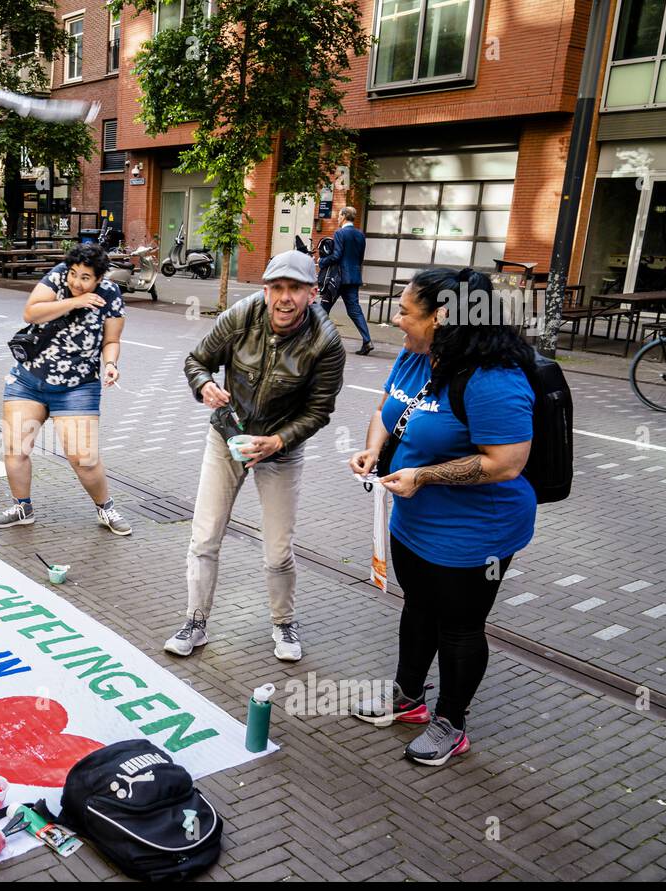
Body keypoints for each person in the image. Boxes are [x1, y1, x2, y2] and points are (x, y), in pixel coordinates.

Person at [348, 267, 535, 767]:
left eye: (407, 311)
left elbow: (506, 462)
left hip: (476, 534)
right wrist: (373, 449)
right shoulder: (416, 357)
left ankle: (452, 722)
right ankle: (407, 699)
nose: (395, 319)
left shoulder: (493, 379)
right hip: (413, 521)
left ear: (444, 316)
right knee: (418, 607)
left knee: (459, 626)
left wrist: (424, 477)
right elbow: (387, 408)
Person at [165, 251, 345, 662]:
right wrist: (205, 386)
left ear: (312, 293)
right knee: (204, 536)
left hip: (280, 449)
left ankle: (283, 622)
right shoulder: (240, 317)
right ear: (265, 290)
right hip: (227, 437)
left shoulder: (325, 341)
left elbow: (320, 410)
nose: (285, 298)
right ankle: (195, 621)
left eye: (295, 289)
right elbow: (197, 361)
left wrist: (279, 441)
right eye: (277, 288)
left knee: (278, 549)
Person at [0, 243, 131, 536]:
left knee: (84, 458)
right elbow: (31, 313)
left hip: (77, 386)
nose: (76, 282)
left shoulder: (111, 296)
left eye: (85, 278)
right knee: (16, 448)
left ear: (100, 278)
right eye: (74, 274)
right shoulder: (56, 279)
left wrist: (110, 364)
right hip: (29, 379)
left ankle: (105, 507)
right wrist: (73, 302)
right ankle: (22, 507)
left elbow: (111, 340)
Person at [320, 206, 373, 355]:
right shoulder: (360, 235)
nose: (337, 218)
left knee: (323, 308)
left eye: (338, 215)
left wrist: (322, 261)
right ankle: (367, 340)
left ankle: (316, 339)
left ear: (343, 216)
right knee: (355, 310)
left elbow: (336, 256)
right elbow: (360, 258)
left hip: (338, 279)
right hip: (354, 277)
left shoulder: (340, 233)